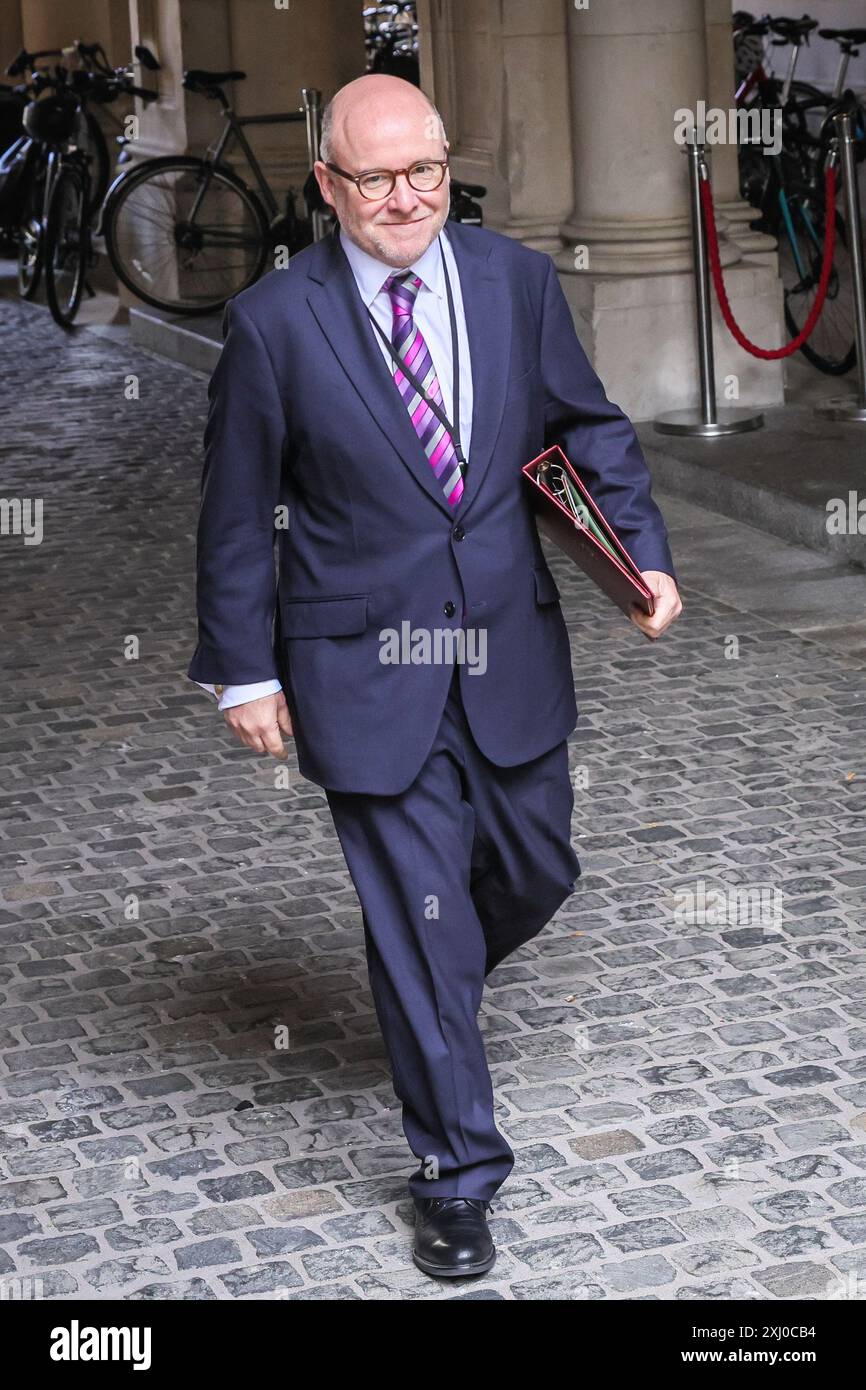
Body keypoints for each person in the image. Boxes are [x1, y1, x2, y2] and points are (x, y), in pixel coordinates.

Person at [189, 73, 683, 1279]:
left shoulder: (512, 280)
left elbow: (582, 428)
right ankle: (454, 1174)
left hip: (506, 646)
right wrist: (242, 672)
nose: (403, 198)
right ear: (327, 187)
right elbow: (236, 510)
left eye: (423, 172)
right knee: (416, 921)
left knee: (535, 867)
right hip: (360, 666)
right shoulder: (273, 323)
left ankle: (429, 986)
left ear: (444, 165)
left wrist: (640, 561)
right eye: (373, 178)